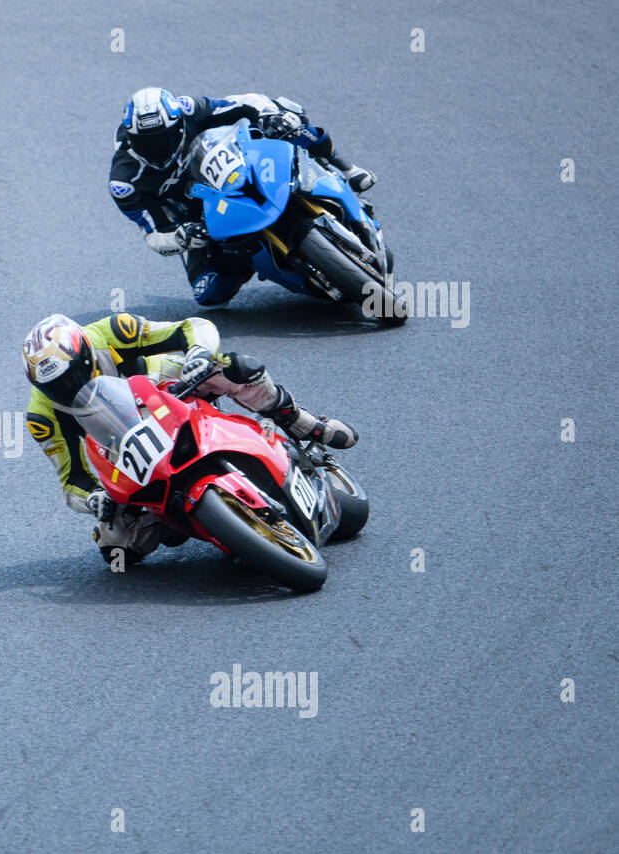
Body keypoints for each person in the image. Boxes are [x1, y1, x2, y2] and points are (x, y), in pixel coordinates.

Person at [22, 312, 357, 563]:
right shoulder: (42, 417)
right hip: (128, 454)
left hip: (162, 392)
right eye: (54, 387)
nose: (68, 389)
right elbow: (73, 481)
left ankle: (301, 422)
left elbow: (192, 327)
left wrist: (198, 353)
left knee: (233, 367)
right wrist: (93, 499)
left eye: (73, 376)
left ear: (86, 355)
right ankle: (186, 518)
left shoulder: (112, 331)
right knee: (116, 552)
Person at [109, 86, 376, 305]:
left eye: (162, 138)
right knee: (209, 293)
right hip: (203, 216)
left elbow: (243, 102)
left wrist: (271, 113)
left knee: (291, 121)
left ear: (178, 125)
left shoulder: (189, 110)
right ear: (132, 140)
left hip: (238, 167)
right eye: (146, 142)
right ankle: (258, 259)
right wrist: (182, 236)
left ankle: (346, 168)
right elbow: (153, 233)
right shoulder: (126, 181)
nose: (156, 148)